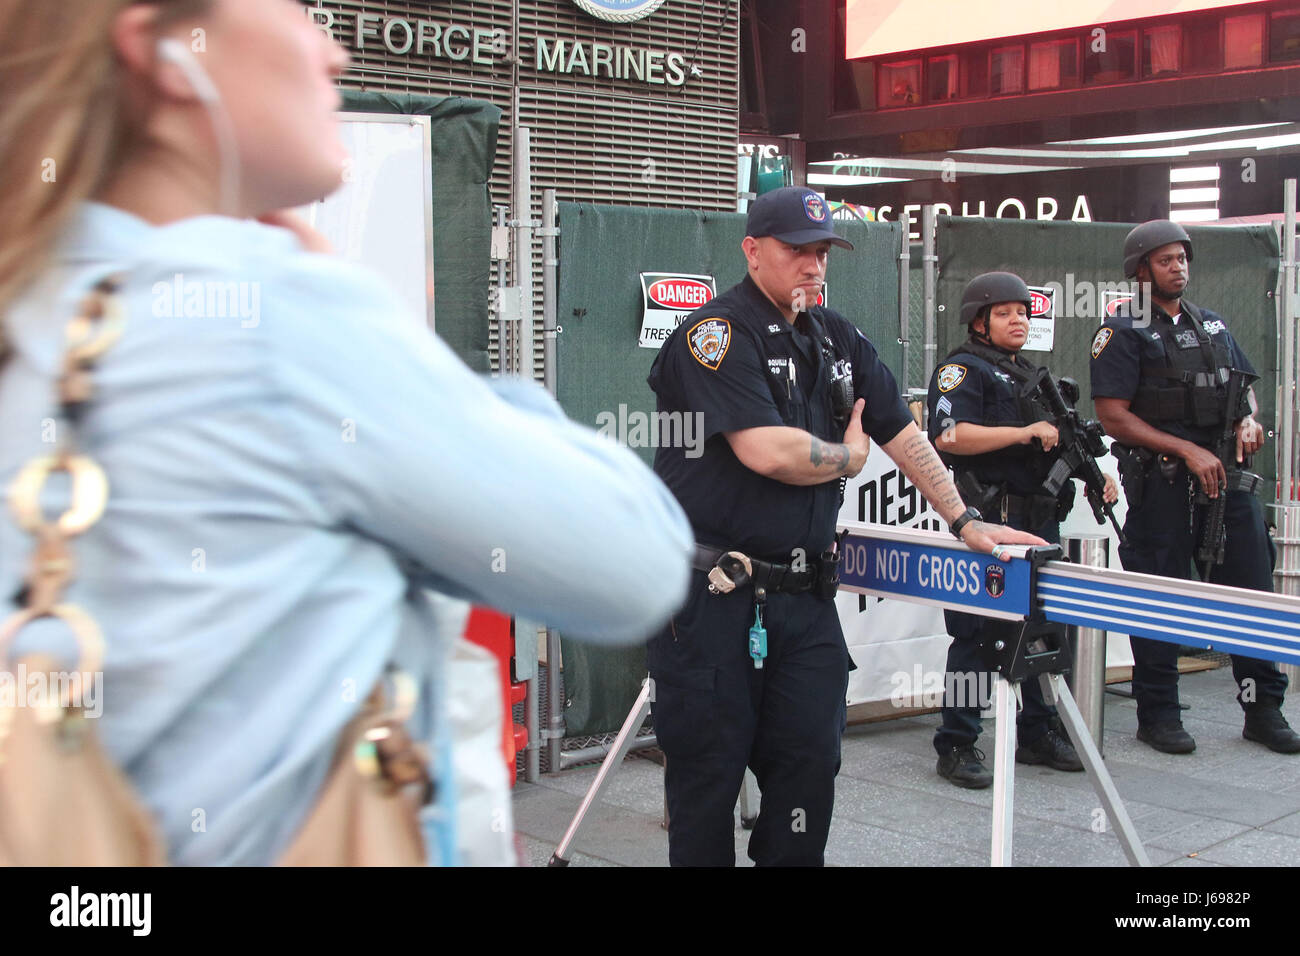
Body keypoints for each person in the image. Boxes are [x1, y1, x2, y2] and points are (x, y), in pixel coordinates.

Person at [0, 0, 694, 865]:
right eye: (294, 12)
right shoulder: (275, 313)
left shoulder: (35, 302)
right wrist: (420, 364)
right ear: (164, 52)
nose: (331, 52)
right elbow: (635, 562)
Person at [645, 186, 1044, 866]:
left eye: (822, 251)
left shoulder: (836, 336)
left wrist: (965, 518)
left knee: (807, 774)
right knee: (707, 782)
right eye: (796, 250)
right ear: (752, 251)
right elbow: (766, 451)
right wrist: (848, 458)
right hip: (711, 601)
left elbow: (904, 432)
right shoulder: (712, 337)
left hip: (803, 604)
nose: (813, 265)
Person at [1090, 219, 1300, 755]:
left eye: (1182, 257)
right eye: (1165, 259)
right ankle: (1157, 713)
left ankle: (1262, 708)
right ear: (1141, 270)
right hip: (1163, 484)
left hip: (1226, 482)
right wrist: (1185, 448)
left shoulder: (1212, 326)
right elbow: (1113, 416)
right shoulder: (1121, 329)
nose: (1178, 266)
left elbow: (1245, 393)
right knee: (1157, 595)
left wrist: (1248, 422)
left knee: (1251, 588)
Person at [927, 272, 1119, 787]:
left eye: (1024, 312)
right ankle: (957, 742)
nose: (1020, 320)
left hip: (1040, 520)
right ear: (979, 320)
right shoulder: (962, 370)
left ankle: (1038, 730)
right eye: (1006, 312)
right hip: (990, 521)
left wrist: (1095, 478)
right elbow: (947, 436)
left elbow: (1058, 443)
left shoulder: (1032, 374)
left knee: (1040, 630)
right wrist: (1024, 431)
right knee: (977, 634)